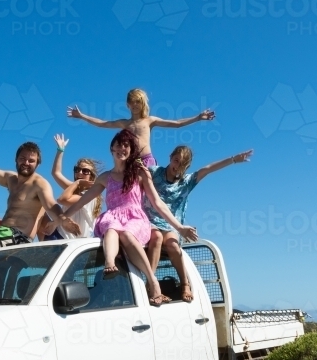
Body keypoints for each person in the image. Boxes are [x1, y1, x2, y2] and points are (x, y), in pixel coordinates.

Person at [63, 130, 198, 307]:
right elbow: (82, 201)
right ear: (112, 148)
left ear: (131, 150)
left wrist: (179, 228)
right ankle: (110, 263)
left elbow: (157, 203)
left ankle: (152, 281)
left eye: (126, 145)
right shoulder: (105, 178)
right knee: (111, 227)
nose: (122, 148)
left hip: (135, 218)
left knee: (126, 234)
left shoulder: (140, 173)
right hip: (114, 217)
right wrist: (60, 219)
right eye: (118, 145)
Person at [144, 146, 253, 302]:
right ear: (170, 157)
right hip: (150, 220)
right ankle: (151, 284)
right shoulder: (154, 172)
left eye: (183, 165)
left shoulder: (186, 182)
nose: (177, 167)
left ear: (187, 167)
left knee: (173, 246)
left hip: (172, 225)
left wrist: (234, 159)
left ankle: (184, 284)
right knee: (156, 239)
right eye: (176, 161)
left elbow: (207, 169)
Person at [66, 88, 215, 168]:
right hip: (131, 162)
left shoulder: (150, 120)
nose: (135, 105)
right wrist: (82, 116)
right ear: (127, 105)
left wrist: (198, 117)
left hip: (147, 160)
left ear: (143, 103)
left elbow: (176, 124)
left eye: (138, 102)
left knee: (150, 195)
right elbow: (102, 123)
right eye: (132, 102)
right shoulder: (125, 123)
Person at [39, 133, 102, 240]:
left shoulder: (91, 195)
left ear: (92, 177)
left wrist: (77, 183)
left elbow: (62, 200)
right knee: (38, 207)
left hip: (69, 241)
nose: (80, 173)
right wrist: (60, 150)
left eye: (85, 171)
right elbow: (55, 173)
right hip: (58, 232)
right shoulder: (74, 188)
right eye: (77, 170)